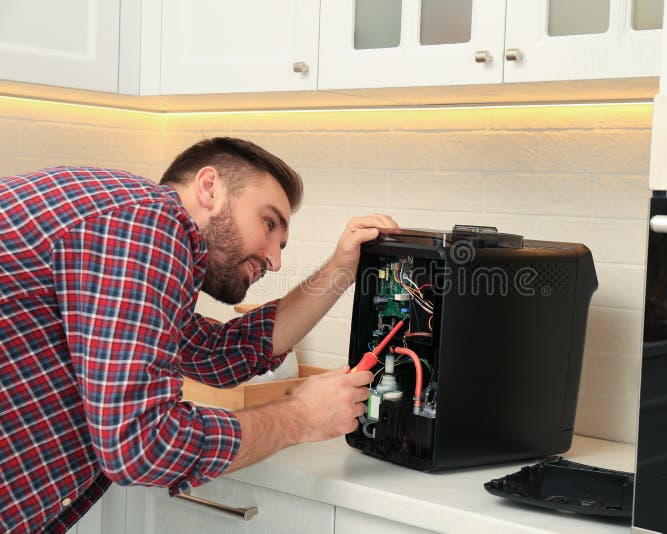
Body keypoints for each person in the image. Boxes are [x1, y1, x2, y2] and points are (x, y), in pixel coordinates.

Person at [0, 137, 397, 533]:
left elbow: (217, 353)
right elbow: (143, 445)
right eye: (268, 222)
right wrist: (300, 418)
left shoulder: (127, 222)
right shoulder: (148, 222)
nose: (276, 260)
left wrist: (341, 268)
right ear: (209, 187)